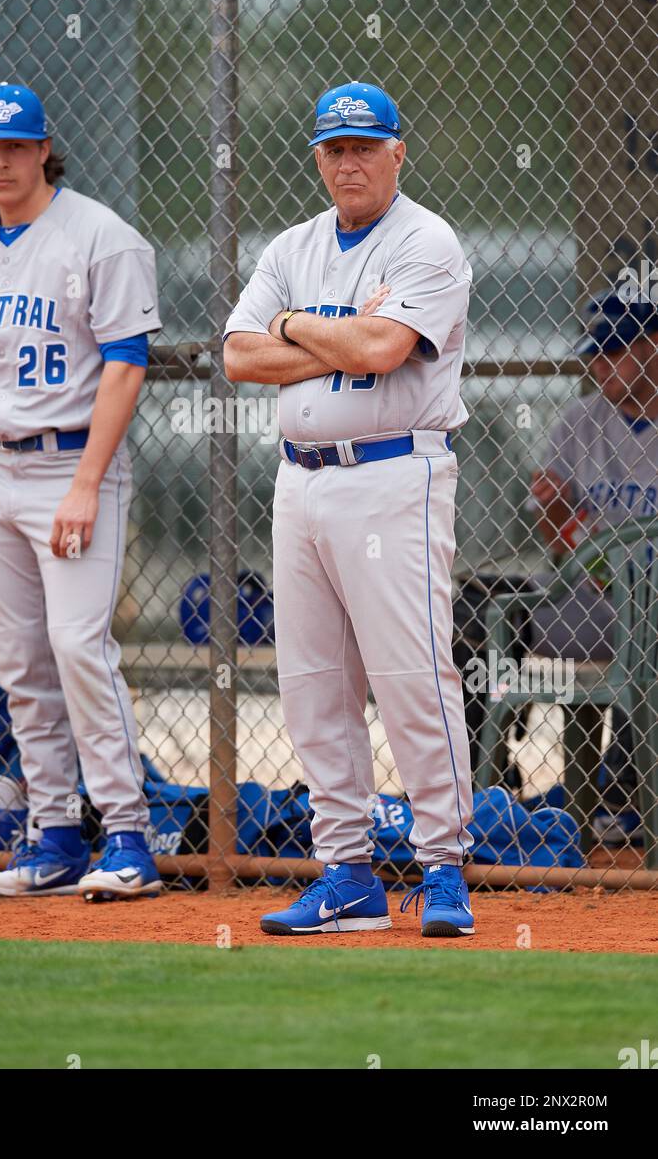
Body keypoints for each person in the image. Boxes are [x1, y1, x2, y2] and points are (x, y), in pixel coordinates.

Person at [223, 81, 475, 937]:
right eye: (335, 148)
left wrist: (291, 328)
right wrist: (317, 330)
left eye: (365, 146)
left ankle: (444, 868)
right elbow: (237, 358)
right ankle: (348, 875)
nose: (350, 161)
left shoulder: (427, 240)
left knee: (413, 678)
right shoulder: (292, 246)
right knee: (313, 688)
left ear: (398, 151)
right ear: (319, 159)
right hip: (301, 481)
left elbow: (383, 347)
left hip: (395, 474)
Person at [0, 82, 164, 900]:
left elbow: (127, 366)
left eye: (14, 145)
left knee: (78, 648)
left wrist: (85, 484)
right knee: (21, 663)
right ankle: (55, 834)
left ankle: (129, 835)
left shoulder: (101, 237)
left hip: (72, 465)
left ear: (42, 149)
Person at [528, 290, 658, 843]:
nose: (598, 364)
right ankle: (481, 794)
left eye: (615, 351)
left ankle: (623, 787)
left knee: (646, 632)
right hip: (595, 602)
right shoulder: (580, 419)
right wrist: (556, 510)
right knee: (483, 614)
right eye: (595, 353)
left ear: (653, 347)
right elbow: (556, 542)